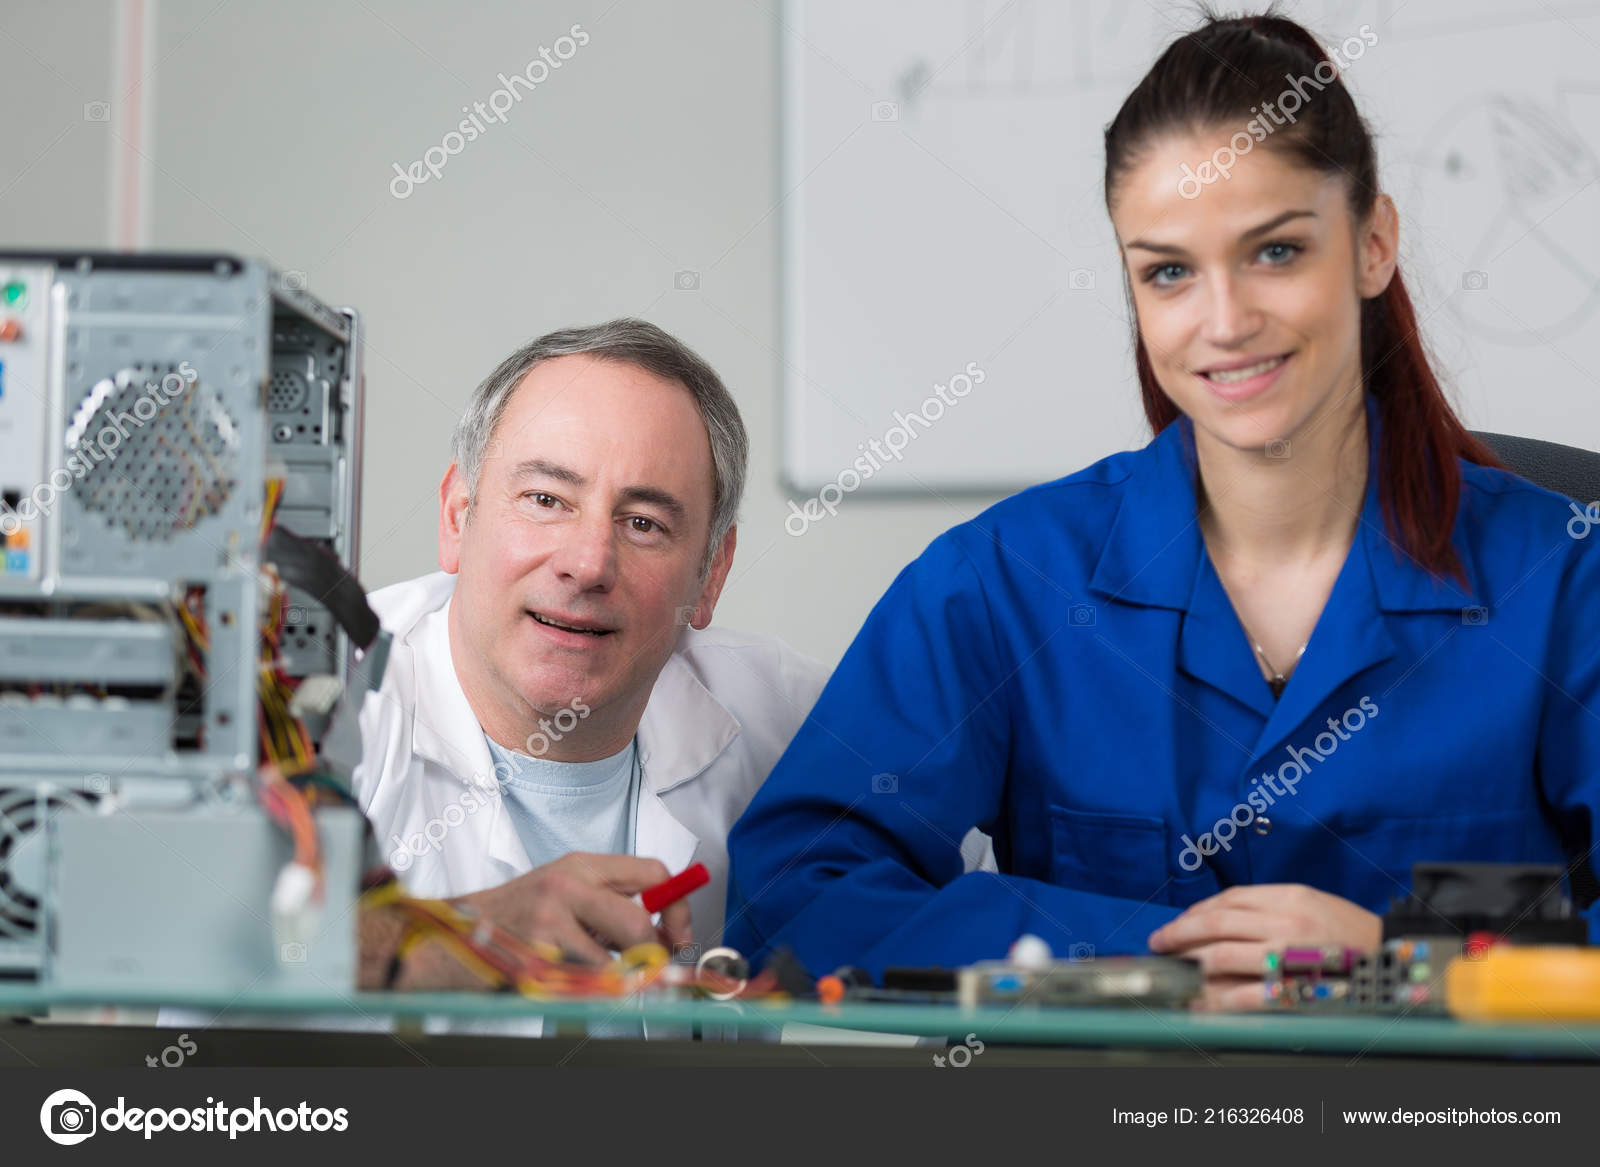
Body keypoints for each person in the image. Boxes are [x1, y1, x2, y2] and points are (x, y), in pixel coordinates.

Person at [724, 12, 1600, 1011]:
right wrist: (1148, 958)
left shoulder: (1567, 578)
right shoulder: (1001, 582)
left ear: (1371, 245)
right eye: (1169, 271)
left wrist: (1402, 965)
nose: (1223, 322)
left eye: (1274, 252)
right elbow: (794, 890)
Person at [348, 318, 828, 989]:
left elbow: (997, 879)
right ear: (458, 516)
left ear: (712, 571)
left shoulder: (785, 713)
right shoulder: (318, 697)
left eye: (643, 523)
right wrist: (467, 937)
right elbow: (198, 945)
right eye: (546, 499)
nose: (588, 562)